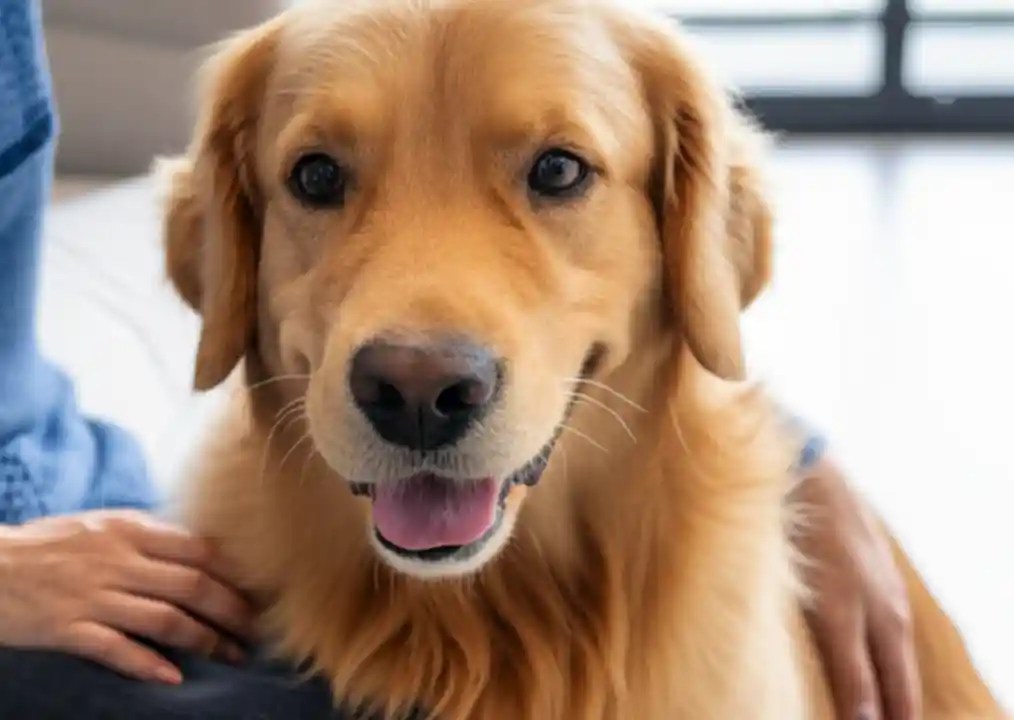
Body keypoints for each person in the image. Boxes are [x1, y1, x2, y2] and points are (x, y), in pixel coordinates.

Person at [0, 1, 919, 718]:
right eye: (321, 179)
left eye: (555, 172)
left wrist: (781, 443)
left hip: (76, 501)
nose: (418, 362)